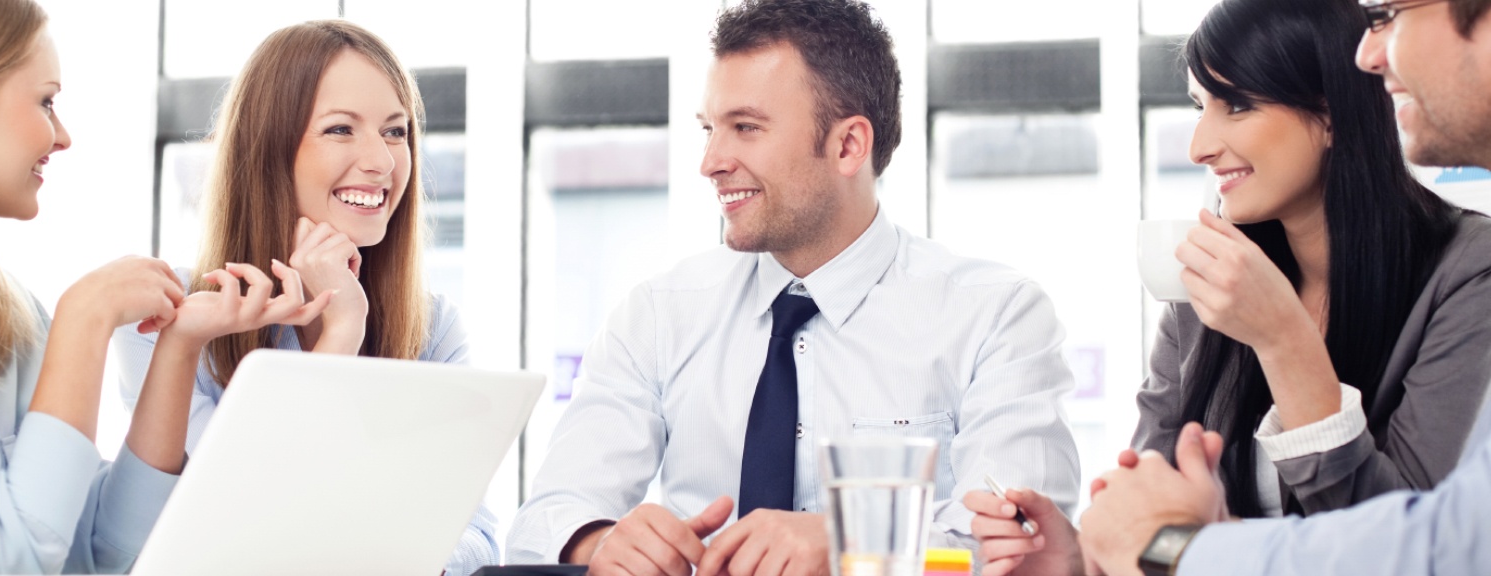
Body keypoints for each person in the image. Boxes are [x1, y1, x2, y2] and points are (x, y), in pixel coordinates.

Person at [505, 1, 1081, 574]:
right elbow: (544, 522)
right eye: (710, 129)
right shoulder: (658, 314)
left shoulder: (997, 315)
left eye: (745, 128)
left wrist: (853, 550)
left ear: (849, 145)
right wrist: (600, 542)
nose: (710, 162)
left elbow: (1025, 548)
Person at [966, 0, 1491, 572]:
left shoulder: (1467, 273)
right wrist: (1081, 558)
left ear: (1332, 113)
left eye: (1237, 105)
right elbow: (1150, 528)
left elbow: (1424, 547)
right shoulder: (1207, 285)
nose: (1200, 147)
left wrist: (1285, 341)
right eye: (1199, 106)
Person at [0, 0, 326, 573]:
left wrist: (180, 345)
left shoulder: (9, 314)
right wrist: (87, 319)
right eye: (46, 101)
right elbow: (8, 557)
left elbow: (102, 551)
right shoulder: (59, 320)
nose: (63, 135)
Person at [110, 20, 495, 576]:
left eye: (395, 132)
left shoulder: (432, 328)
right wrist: (340, 335)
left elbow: (477, 540)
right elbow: (231, 536)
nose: (383, 162)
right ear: (268, 149)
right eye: (341, 130)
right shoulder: (170, 312)